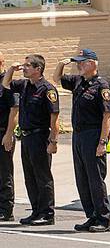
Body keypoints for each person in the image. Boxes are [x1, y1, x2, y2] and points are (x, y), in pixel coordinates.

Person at [59, 49, 110, 232]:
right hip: (78, 135)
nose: (78, 65)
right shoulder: (78, 82)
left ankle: (104, 219)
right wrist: (62, 63)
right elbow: (57, 77)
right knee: (82, 178)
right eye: (77, 62)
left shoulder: (102, 86)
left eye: (82, 62)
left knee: (95, 179)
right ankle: (91, 216)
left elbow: (107, 116)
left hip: (93, 134)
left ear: (92, 64)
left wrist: (102, 142)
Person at [2, 54, 59, 225]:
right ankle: (36, 210)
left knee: (42, 176)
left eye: (27, 66)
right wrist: (11, 69)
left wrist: (53, 141)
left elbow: (54, 118)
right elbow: (5, 84)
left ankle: (47, 213)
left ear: (37, 69)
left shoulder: (47, 89)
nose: (24, 68)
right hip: (26, 137)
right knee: (30, 176)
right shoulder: (25, 85)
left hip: (40, 136)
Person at [0, 57, 13, 222]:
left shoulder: (7, 83)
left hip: (3, 132)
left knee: (4, 173)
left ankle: (6, 210)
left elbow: (14, 110)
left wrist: (9, 133)